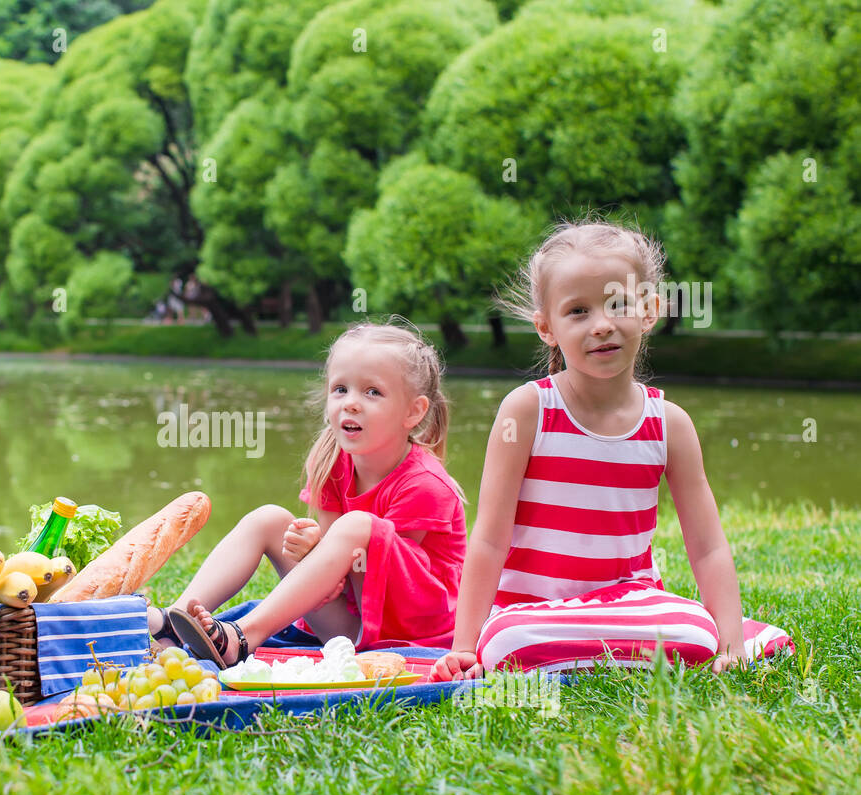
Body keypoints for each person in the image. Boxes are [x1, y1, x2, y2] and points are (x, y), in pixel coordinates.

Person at [432, 218, 793, 682]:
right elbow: (488, 539)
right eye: (578, 311)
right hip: (532, 613)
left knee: (701, 632)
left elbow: (706, 548)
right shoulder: (526, 411)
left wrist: (730, 642)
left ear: (649, 311)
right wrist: (465, 647)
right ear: (547, 327)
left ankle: (595, 652)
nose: (602, 325)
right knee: (506, 643)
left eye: (618, 304)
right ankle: (586, 652)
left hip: (630, 603)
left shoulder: (669, 424)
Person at [151, 321, 468, 667]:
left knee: (358, 525)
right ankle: (173, 624)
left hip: (401, 630)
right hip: (344, 623)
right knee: (269, 519)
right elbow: (335, 562)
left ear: (414, 411)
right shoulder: (332, 460)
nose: (351, 404)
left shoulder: (424, 484)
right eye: (340, 389)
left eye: (372, 392)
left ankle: (242, 637)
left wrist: (332, 555)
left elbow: (390, 588)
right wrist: (313, 549)